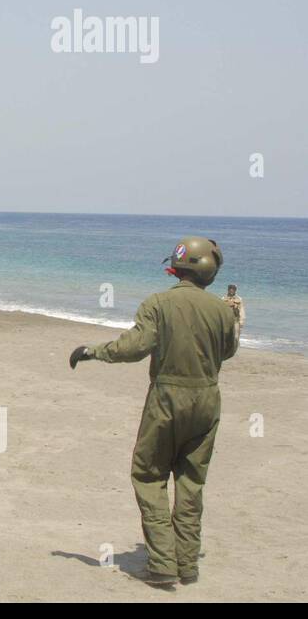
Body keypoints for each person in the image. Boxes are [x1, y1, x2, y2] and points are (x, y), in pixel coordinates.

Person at [68, 237, 238, 589]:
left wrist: (93, 351)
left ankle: (162, 564)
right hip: (207, 399)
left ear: (177, 268)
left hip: (167, 397)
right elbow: (228, 351)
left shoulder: (158, 304)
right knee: (191, 484)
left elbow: (135, 347)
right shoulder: (223, 310)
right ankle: (187, 566)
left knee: (148, 476)